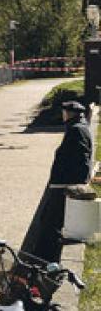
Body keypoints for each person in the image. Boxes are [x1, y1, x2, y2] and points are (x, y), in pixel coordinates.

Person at [20, 100, 94, 263]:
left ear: (67, 113)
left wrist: (74, 183)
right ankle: (43, 257)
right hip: (65, 184)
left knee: (50, 222)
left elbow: (80, 159)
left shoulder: (76, 130)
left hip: (65, 185)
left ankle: (42, 259)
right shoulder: (80, 127)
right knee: (50, 220)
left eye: (64, 112)